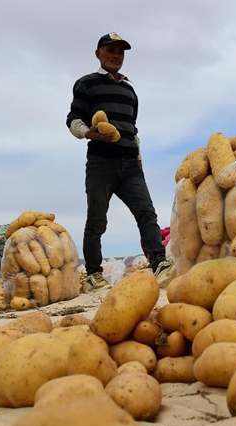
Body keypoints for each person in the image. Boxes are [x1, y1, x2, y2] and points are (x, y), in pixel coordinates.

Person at [66, 32, 171, 290]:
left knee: (146, 212)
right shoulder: (86, 84)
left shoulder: (129, 91)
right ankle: (93, 273)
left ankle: (159, 262)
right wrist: (88, 133)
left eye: (120, 52)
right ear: (98, 53)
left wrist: (139, 160)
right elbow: (73, 119)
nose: (115, 55)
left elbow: (132, 129)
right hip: (101, 162)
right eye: (110, 50)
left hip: (130, 164)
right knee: (97, 220)